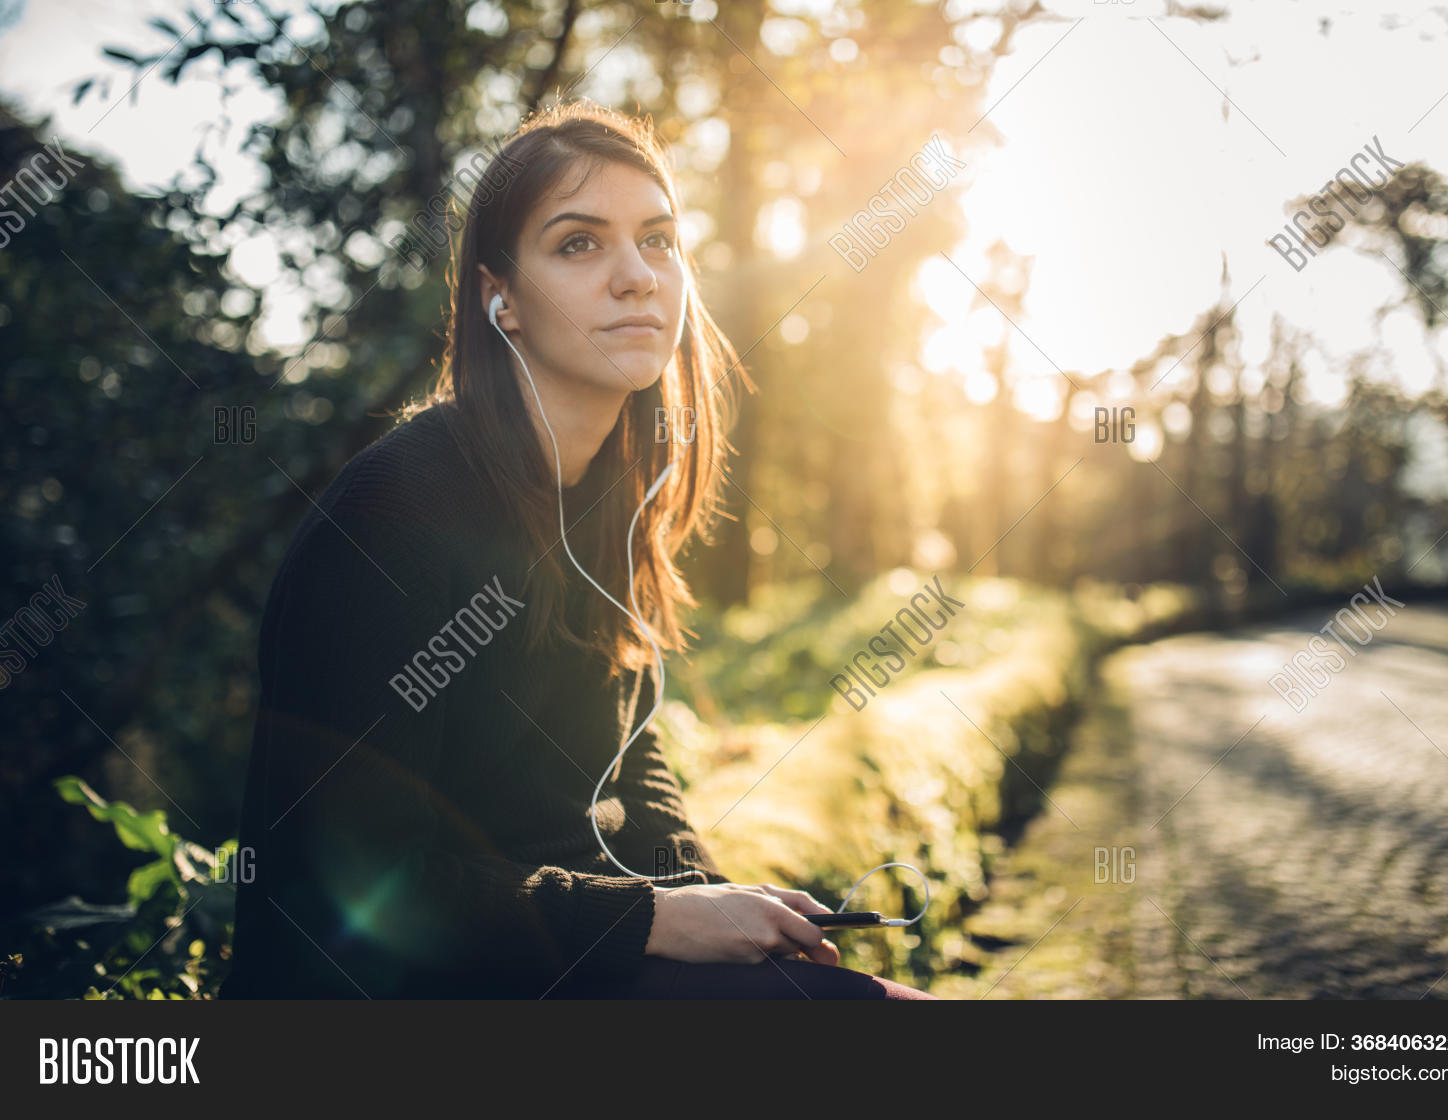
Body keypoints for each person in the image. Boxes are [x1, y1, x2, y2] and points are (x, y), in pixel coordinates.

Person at [219, 100, 936, 1000]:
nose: (638, 277)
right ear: (500, 299)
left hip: (572, 961)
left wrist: (721, 901)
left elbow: (630, 759)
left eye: (659, 240)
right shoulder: (396, 509)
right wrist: (654, 919)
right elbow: (353, 883)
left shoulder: (610, 496)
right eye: (578, 244)